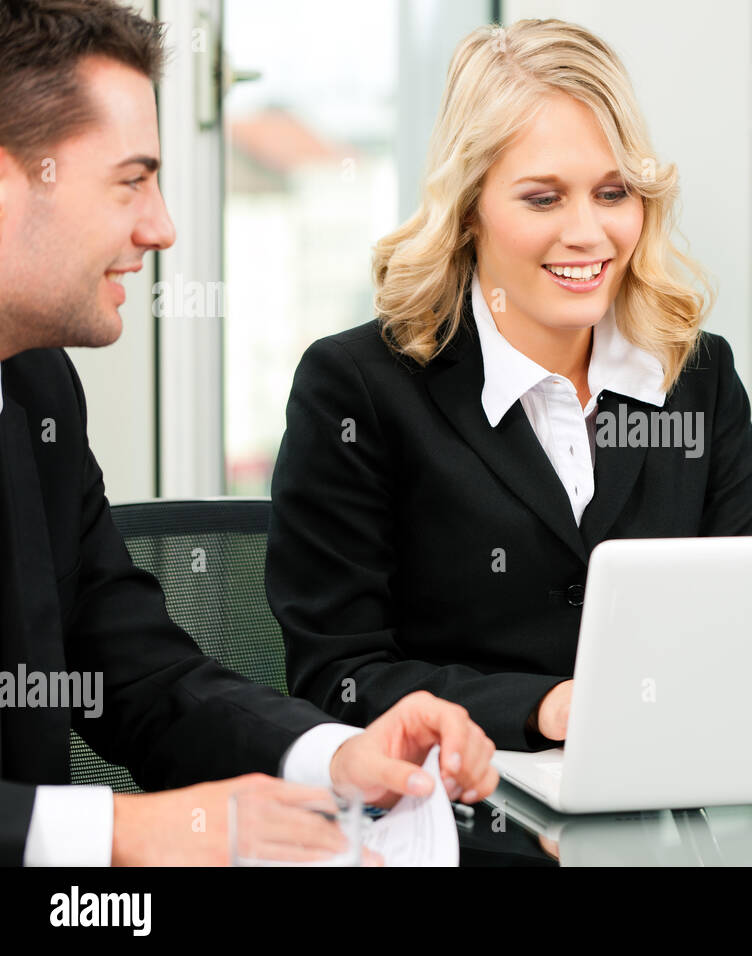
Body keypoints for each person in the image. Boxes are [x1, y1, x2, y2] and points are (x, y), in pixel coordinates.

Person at [0, 0, 497, 866]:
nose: (160, 227)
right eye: (131, 179)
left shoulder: (38, 392)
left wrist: (337, 758)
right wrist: (124, 832)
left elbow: (139, 676)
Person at [265, 19, 752, 754]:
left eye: (611, 192)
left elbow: (744, 628)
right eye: (542, 198)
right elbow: (337, 674)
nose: (589, 233)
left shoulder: (699, 377)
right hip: (453, 822)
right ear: (471, 209)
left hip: (664, 809)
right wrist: (542, 708)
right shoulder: (360, 389)